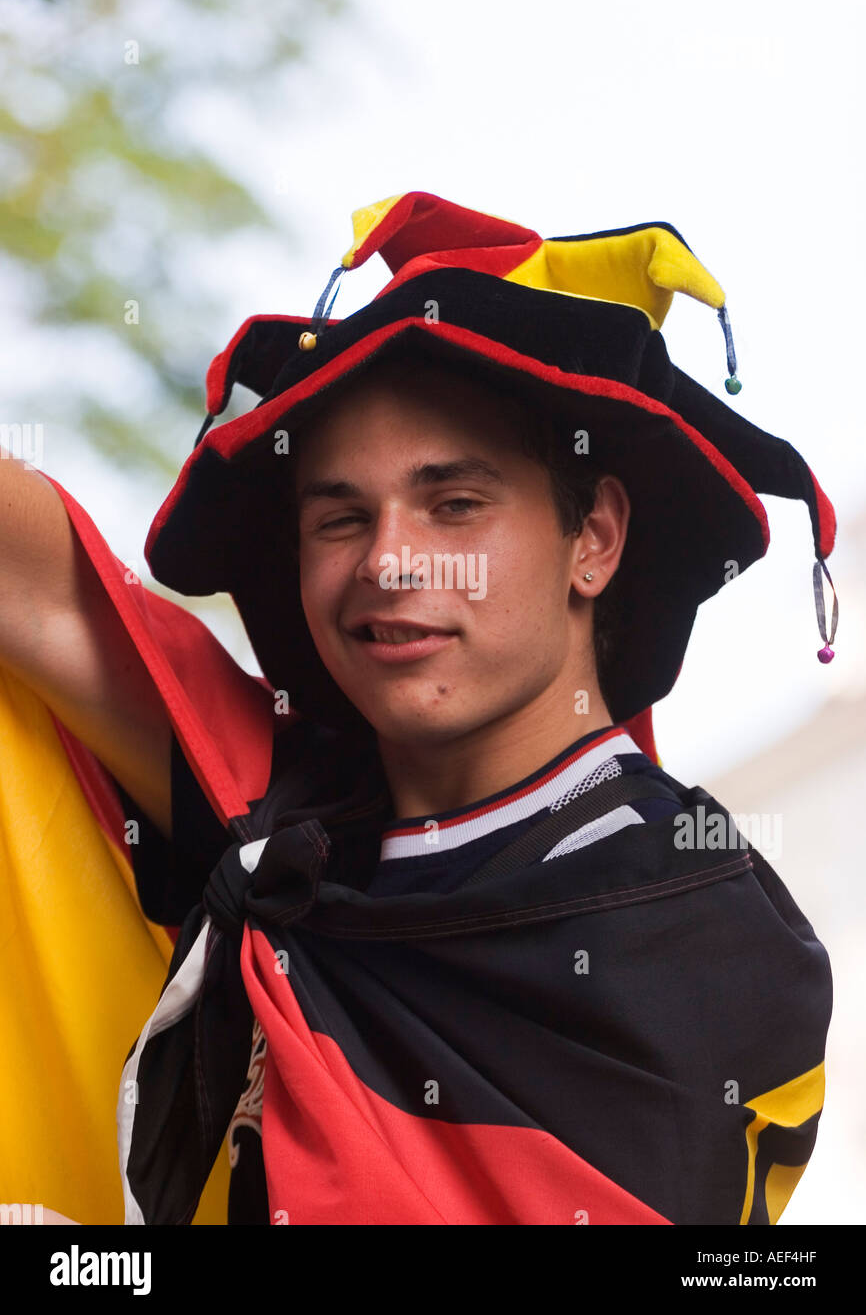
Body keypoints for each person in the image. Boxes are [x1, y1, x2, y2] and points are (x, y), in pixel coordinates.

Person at [1, 191, 837, 1225]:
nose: (388, 562)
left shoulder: (693, 927)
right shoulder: (273, 822)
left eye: (455, 504)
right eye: (340, 516)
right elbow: (28, 585)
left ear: (594, 539)